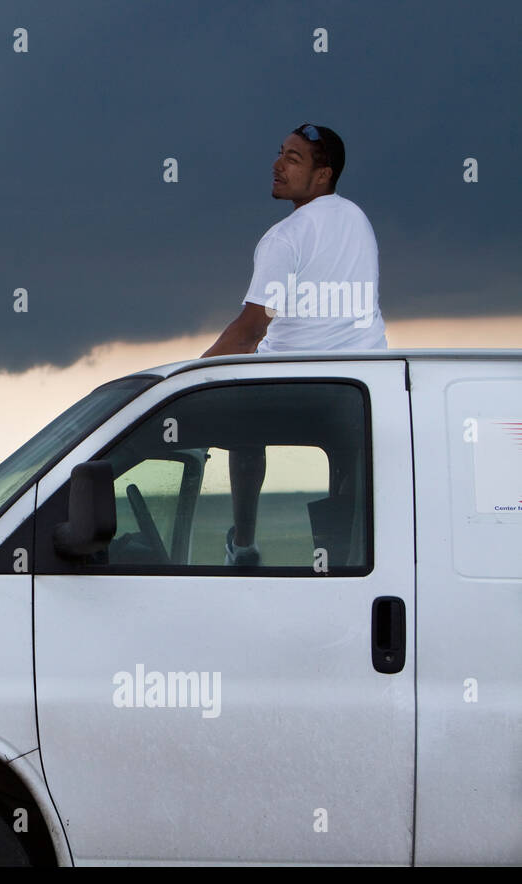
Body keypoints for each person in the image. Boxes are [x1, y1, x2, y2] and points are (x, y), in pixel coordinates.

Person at [202, 124, 388, 565]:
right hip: (364, 386)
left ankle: (243, 547)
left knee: (240, 420)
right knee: (346, 462)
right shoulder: (358, 219)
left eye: (293, 159)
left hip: (299, 385)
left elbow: (249, 331)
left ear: (322, 175)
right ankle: (342, 556)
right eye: (280, 153)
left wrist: (183, 381)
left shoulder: (285, 237)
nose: (277, 165)